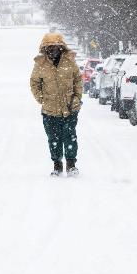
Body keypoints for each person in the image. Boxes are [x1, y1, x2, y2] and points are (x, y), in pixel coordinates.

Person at [29, 33, 82, 177]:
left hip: (70, 108)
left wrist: (77, 98)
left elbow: (78, 80)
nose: (53, 49)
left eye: (56, 46)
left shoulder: (69, 61)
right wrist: (42, 99)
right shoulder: (40, 64)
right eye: (49, 47)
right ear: (45, 48)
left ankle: (71, 165)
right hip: (49, 110)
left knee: (70, 136)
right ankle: (57, 165)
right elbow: (34, 83)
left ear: (61, 47)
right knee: (53, 138)